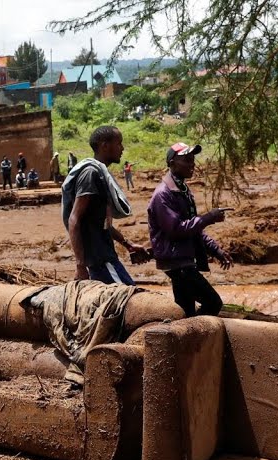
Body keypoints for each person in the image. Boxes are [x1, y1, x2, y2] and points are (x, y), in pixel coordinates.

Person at [147, 142, 233, 317]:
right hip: (177, 262)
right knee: (213, 302)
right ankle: (196, 332)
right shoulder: (164, 194)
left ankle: (187, 332)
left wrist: (215, 250)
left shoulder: (181, 189)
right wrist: (208, 218)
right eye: (186, 160)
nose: (192, 164)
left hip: (182, 260)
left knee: (186, 312)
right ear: (172, 163)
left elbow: (193, 229)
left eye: (192, 159)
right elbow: (177, 229)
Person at [61, 125, 150, 284]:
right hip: (100, 260)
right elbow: (74, 219)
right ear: (105, 145)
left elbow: (103, 224)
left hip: (105, 258)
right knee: (128, 295)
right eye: (119, 143)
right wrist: (80, 265)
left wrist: (128, 244)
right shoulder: (91, 174)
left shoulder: (101, 173)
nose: (122, 148)